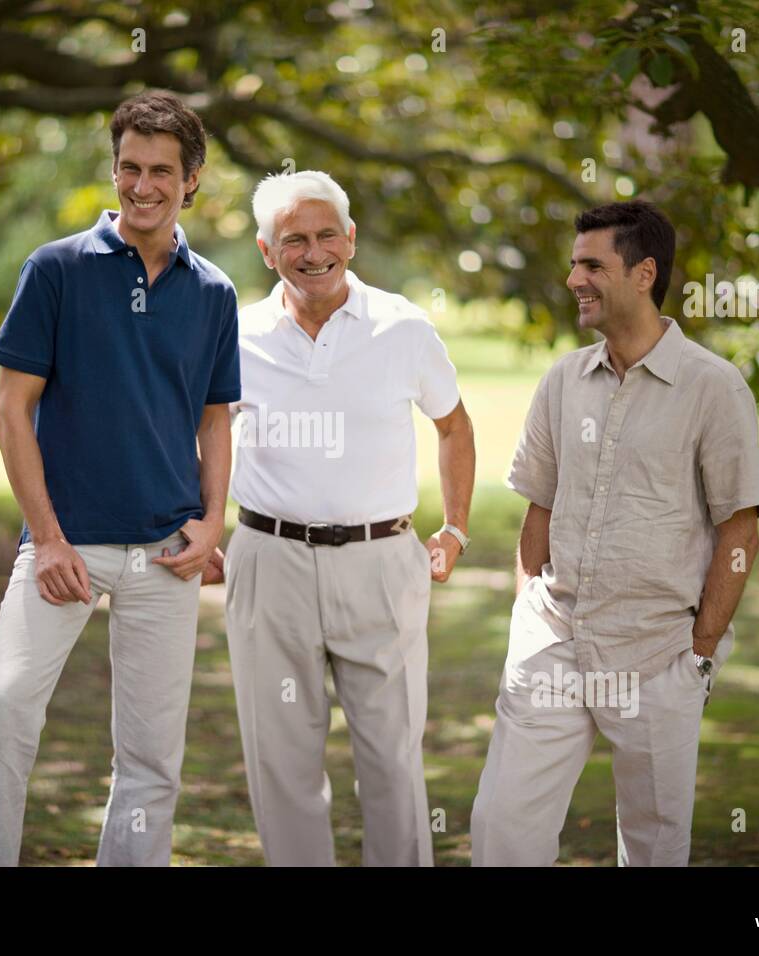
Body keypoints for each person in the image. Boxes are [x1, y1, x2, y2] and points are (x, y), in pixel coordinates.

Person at [0, 91, 240, 867]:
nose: (142, 186)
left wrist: (213, 524)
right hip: (61, 544)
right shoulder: (55, 270)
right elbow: (13, 411)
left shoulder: (213, 292)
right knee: (5, 707)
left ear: (192, 181)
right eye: (129, 168)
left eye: (161, 172)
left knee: (152, 759)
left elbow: (215, 418)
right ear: (113, 170)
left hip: (165, 552)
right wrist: (46, 539)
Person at [470, 199, 759, 866]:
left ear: (643, 274)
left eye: (591, 265)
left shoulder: (713, 388)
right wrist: (528, 609)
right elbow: (539, 508)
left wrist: (700, 651)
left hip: (660, 653)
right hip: (554, 642)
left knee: (654, 846)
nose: (574, 279)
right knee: (502, 830)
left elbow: (740, 530)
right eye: (573, 265)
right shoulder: (562, 381)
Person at [213, 170, 475, 866]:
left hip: (381, 562)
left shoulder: (403, 327)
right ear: (268, 252)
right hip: (269, 561)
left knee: (392, 758)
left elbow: (454, 425)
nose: (314, 250)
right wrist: (204, 525)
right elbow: (202, 434)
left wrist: (454, 528)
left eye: (328, 233)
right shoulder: (236, 334)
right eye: (293, 238)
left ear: (351, 239)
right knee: (282, 760)